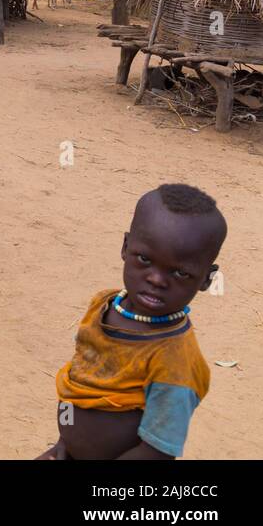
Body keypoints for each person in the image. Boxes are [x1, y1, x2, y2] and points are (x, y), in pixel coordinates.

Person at [40, 184, 227, 460]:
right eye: (144, 259)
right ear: (126, 247)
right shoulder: (102, 305)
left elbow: (159, 451)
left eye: (180, 273)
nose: (157, 279)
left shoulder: (176, 359)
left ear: (206, 280)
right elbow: (78, 385)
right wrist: (63, 444)